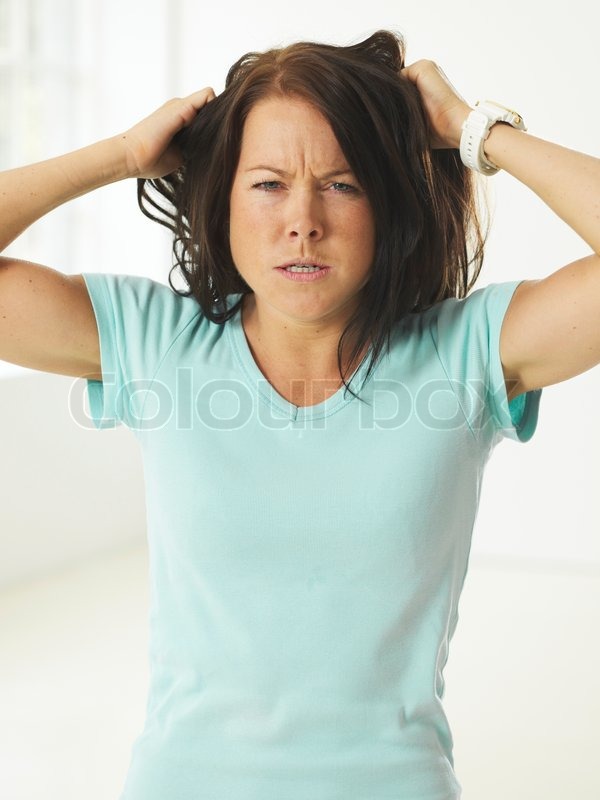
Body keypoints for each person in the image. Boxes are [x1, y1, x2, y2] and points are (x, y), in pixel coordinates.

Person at [0, 28, 597, 800]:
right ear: (222, 199)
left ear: (389, 204)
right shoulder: (154, 343)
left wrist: (475, 131)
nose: (303, 221)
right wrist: (121, 154)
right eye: (268, 184)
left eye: (343, 184)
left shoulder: (468, 352)